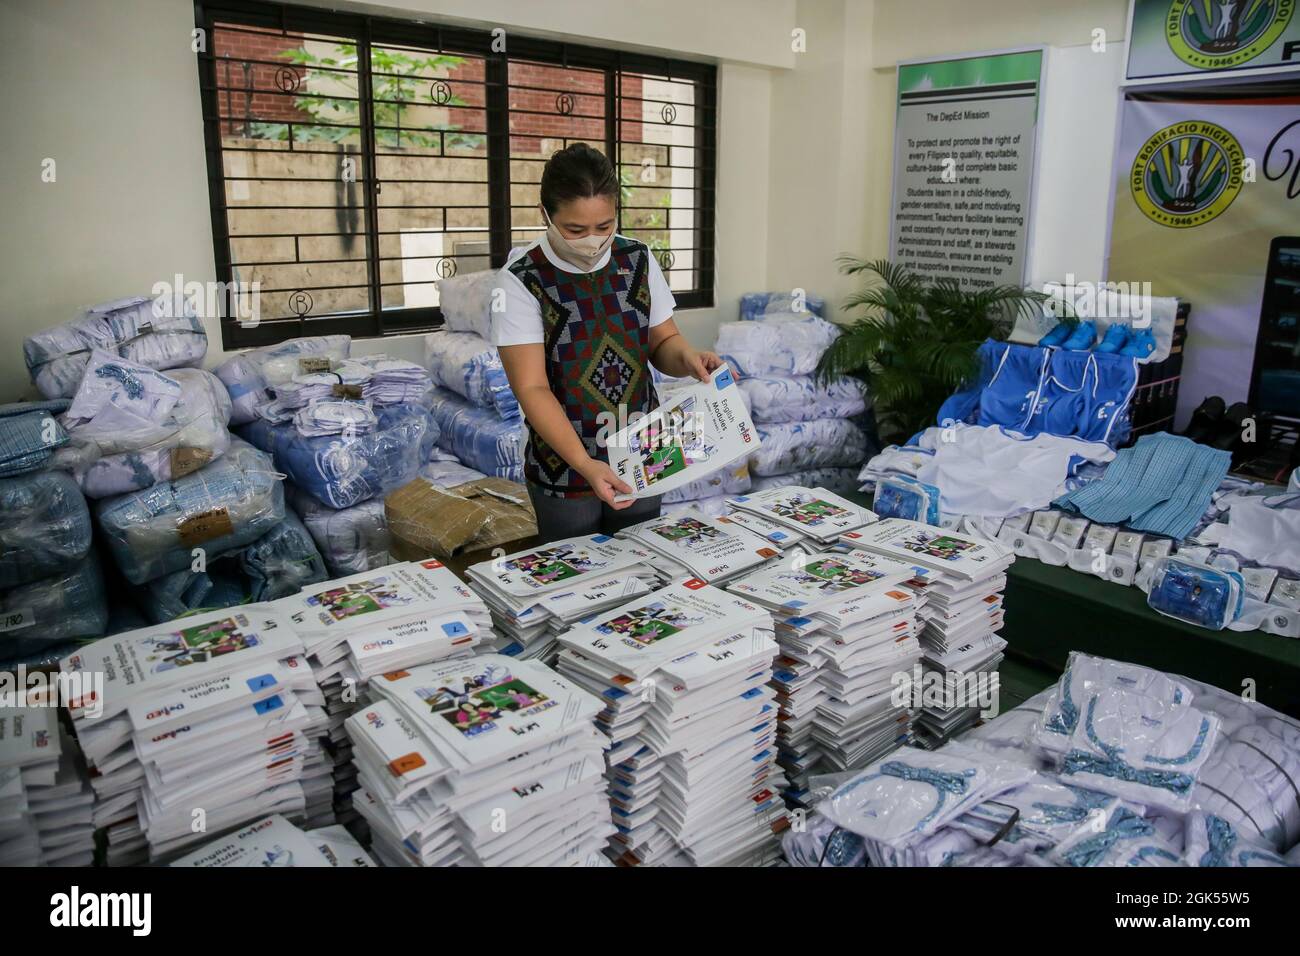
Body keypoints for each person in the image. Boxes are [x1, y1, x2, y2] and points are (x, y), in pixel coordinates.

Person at [493, 143, 723, 540]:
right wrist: (585, 464)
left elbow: (661, 340)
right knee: (579, 581)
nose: (593, 241)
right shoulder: (521, 279)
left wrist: (687, 358)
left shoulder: (637, 258)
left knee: (646, 566)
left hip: (647, 445)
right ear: (544, 214)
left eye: (605, 226)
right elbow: (531, 388)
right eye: (576, 230)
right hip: (566, 466)